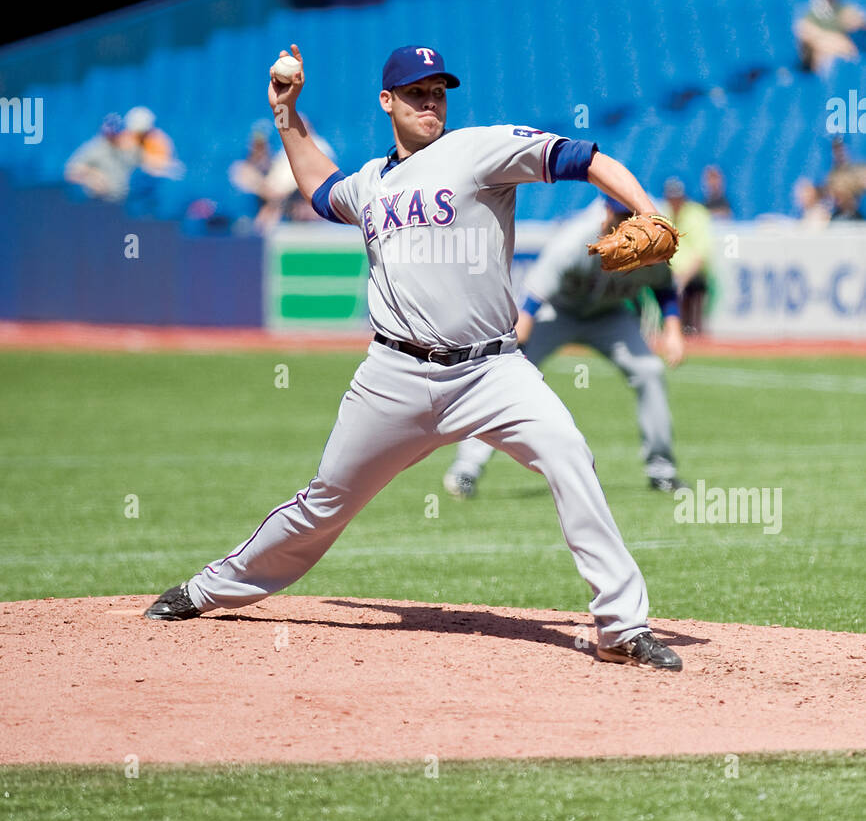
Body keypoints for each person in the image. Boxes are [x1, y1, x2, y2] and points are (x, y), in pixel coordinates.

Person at [144, 43, 684, 672]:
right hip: (393, 377)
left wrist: (647, 211)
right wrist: (287, 115)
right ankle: (210, 588)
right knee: (324, 502)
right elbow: (320, 186)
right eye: (417, 91)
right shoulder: (372, 183)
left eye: (439, 91)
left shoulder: (479, 149)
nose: (431, 101)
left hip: (491, 370)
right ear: (388, 102)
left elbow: (585, 159)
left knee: (569, 455)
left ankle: (621, 626)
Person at [443, 196, 686, 500]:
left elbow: (664, 287)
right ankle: (466, 468)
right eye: (623, 214)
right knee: (506, 379)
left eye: (633, 215)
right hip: (558, 312)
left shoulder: (648, 240)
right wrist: (517, 349)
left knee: (649, 371)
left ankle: (661, 472)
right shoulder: (576, 239)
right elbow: (532, 300)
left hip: (609, 315)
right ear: (607, 212)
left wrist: (674, 330)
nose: (628, 222)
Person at [661, 177, 713, 336]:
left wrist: (683, 278)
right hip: (667, 272)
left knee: (690, 286)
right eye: (671, 197)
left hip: (692, 274)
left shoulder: (697, 215)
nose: (674, 201)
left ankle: (692, 331)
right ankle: (672, 329)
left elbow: (701, 254)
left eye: (677, 197)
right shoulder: (661, 212)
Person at [794, 0, 866, 78]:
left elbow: (857, 19)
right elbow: (804, 31)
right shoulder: (810, 10)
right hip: (823, 59)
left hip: (844, 55)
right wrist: (833, 40)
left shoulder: (842, 7)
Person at [64, 113, 136, 202]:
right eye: (110, 130)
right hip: (100, 202)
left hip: (124, 201)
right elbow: (70, 172)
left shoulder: (129, 148)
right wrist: (92, 175)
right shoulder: (94, 148)